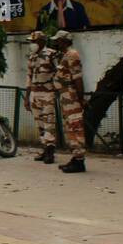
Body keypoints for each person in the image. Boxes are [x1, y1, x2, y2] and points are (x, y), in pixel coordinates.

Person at [50, 30, 86, 173]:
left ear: (64, 41)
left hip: (71, 97)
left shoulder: (72, 55)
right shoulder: (65, 55)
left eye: (58, 40)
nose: (56, 43)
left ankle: (79, 160)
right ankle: (76, 157)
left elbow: (77, 78)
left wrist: (80, 98)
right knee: (70, 128)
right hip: (66, 97)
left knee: (75, 127)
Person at [24, 31, 58, 163]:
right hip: (34, 93)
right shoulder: (32, 57)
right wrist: (27, 98)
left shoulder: (51, 54)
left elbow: (58, 73)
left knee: (49, 122)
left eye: (34, 42)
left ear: (42, 42)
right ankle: (45, 148)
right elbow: (28, 77)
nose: (32, 45)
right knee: (40, 123)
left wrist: (56, 90)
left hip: (47, 93)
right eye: (31, 42)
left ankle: (50, 150)